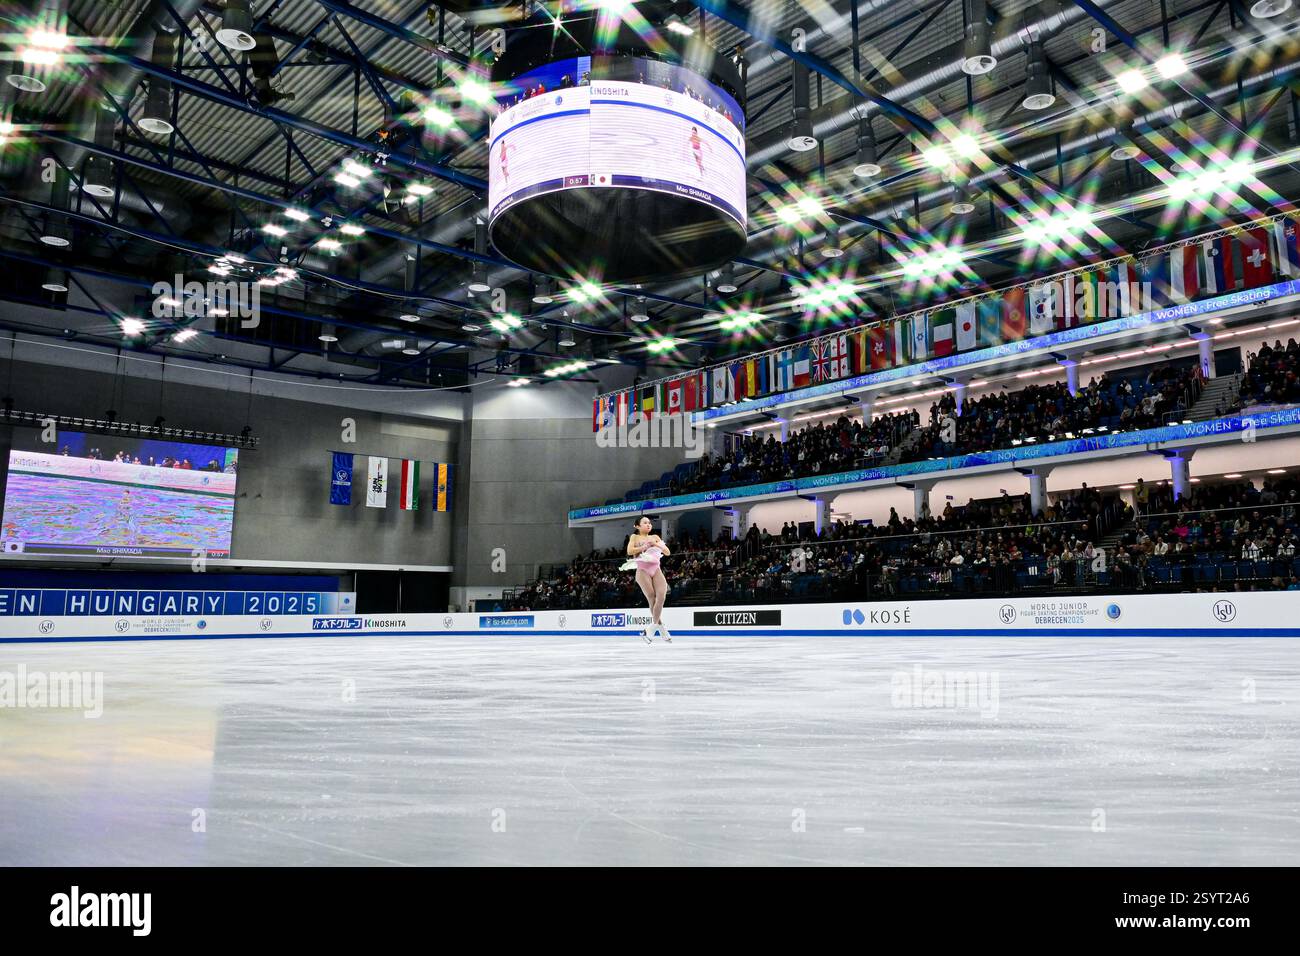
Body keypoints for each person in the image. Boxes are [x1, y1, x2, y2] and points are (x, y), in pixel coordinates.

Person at [625, 515, 672, 642]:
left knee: (661, 596)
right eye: (645, 522)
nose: (648, 524)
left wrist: (657, 544)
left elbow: (667, 552)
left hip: (656, 569)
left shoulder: (655, 537)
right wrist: (643, 547)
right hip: (642, 570)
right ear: (637, 526)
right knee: (652, 597)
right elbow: (629, 551)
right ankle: (661, 628)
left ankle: (652, 628)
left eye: (649, 522)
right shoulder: (634, 537)